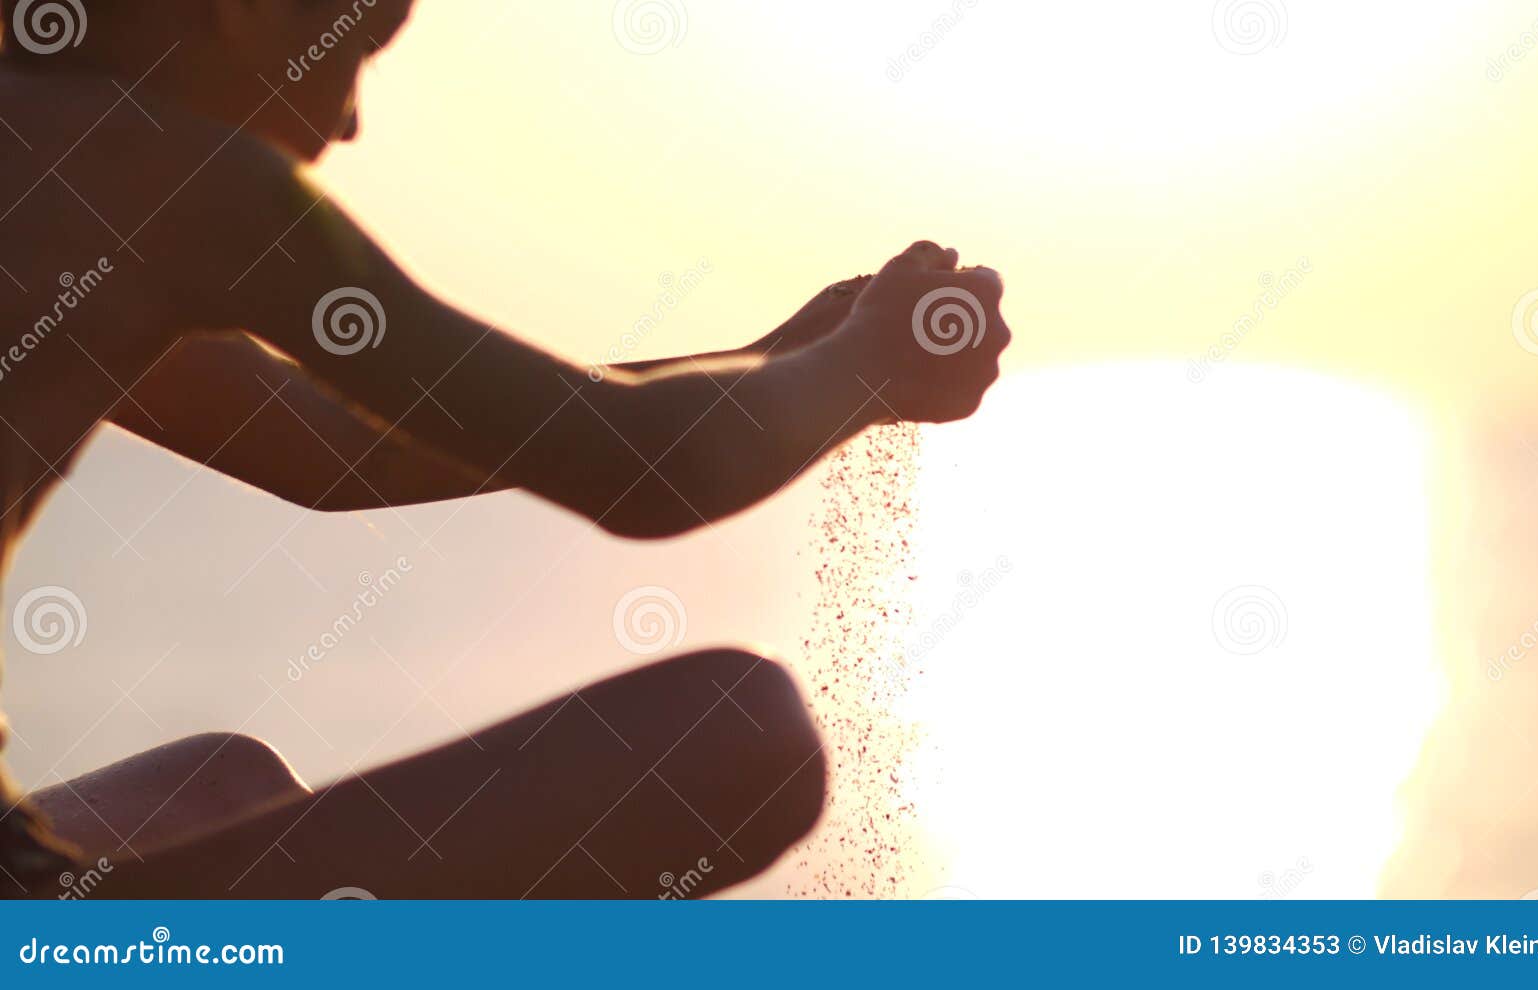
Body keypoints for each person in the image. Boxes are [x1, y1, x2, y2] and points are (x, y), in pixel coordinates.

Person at [0, 0, 1009, 898]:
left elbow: (335, 449)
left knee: (229, 782)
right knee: (744, 739)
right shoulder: (164, 178)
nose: (346, 117)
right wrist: (868, 372)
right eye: (352, 39)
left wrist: (775, 360)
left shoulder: (56, 162)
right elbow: (642, 472)